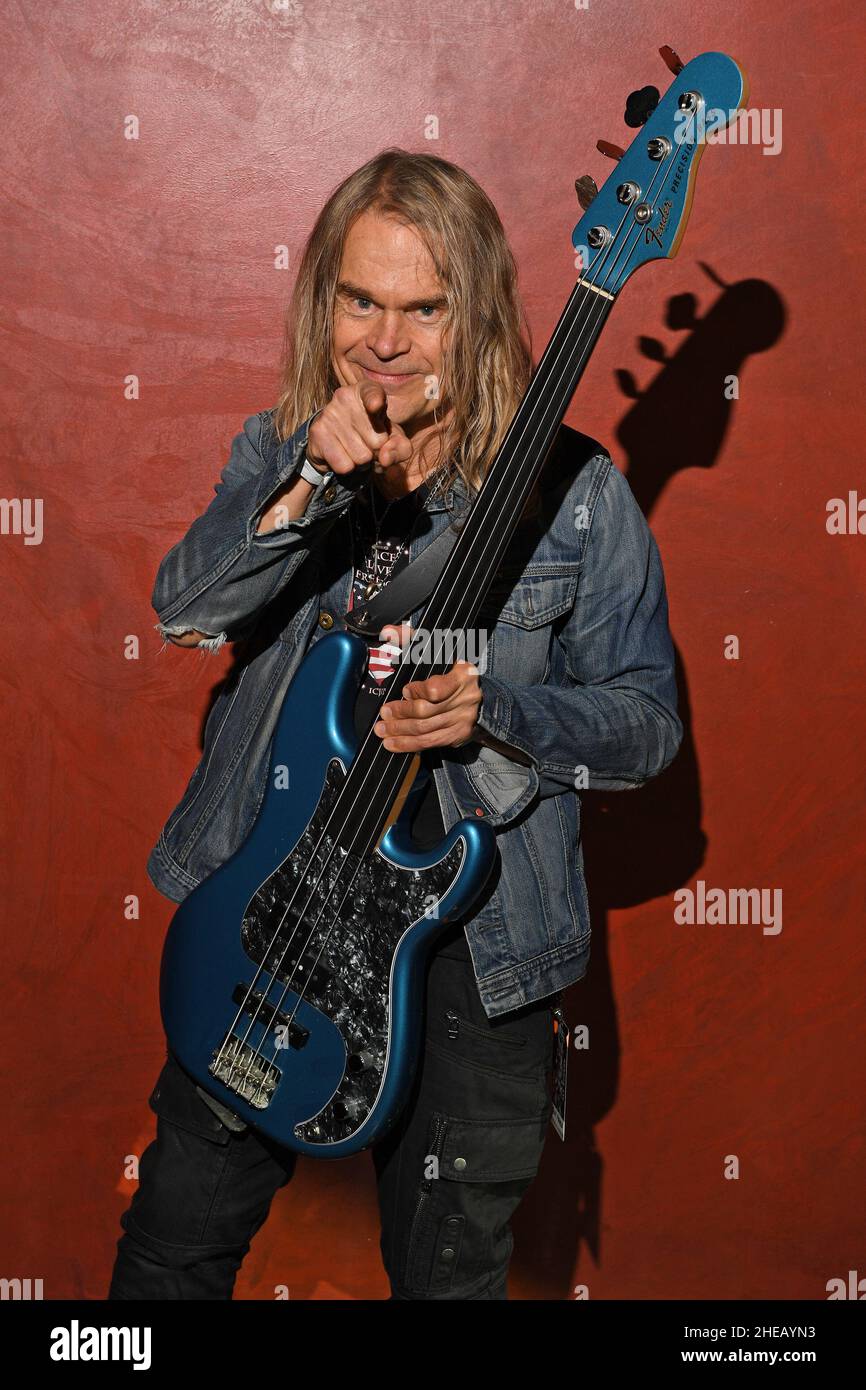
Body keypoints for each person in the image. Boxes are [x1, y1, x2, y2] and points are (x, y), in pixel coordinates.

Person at [108, 148, 682, 1301]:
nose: (386, 338)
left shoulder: (575, 495)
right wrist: (309, 487)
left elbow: (646, 725)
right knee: (169, 1257)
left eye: (424, 307)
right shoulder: (282, 452)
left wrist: (497, 709)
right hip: (272, 909)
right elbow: (184, 611)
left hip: (472, 947)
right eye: (360, 300)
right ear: (323, 299)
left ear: (473, 313)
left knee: (447, 1283)